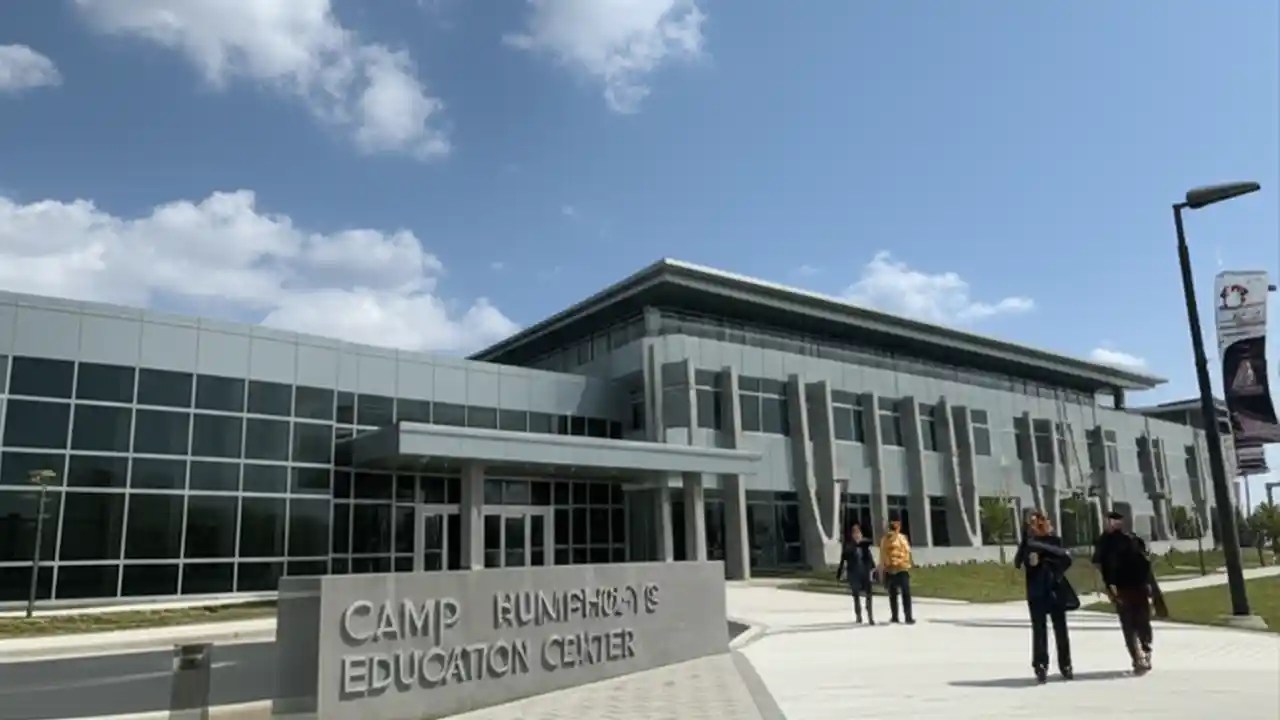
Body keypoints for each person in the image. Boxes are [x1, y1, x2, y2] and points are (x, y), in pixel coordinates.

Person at [1014, 510, 1077, 683]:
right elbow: (1019, 562)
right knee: (1039, 630)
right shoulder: (1027, 544)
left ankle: (1066, 664)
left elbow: (1066, 559)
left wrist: (1052, 566)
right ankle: (1040, 665)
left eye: (1037, 522)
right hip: (1036, 591)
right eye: (1030, 524)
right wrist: (1028, 551)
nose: (1034, 526)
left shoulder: (1054, 542)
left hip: (1054, 589)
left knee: (1061, 630)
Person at [1091, 510, 1155, 674]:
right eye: (1108, 521)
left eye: (1113, 521)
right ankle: (1137, 657)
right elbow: (1098, 564)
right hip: (1119, 588)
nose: (1110, 524)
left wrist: (1148, 584)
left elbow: (1145, 563)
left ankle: (1145, 650)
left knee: (1141, 621)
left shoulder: (1132, 539)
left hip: (1136, 585)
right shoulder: (1103, 542)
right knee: (1129, 623)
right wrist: (1104, 585)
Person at [835, 524, 876, 624]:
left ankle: (870, 616)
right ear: (853, 535)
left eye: (859, 533)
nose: (857, 536)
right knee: (856, 595)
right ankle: (859, 616)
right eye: (855, 534)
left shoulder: (865, 546)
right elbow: (843, 560)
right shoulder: (849, 546)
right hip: (854, 574)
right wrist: (839, 574)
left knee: (869, 595)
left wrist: (874, 571)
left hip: (865, 573)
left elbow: (870, 559)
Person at [878, 520, 914, 624]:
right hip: (891, 569)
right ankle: (895, 616)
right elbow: (883, 555)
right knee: (893, 594)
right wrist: (883, 569)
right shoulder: (885, 540)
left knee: (905, 594)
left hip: (902, 569)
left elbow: (907, 552)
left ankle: (908, 616)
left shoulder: (902, 538)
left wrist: (907, 564)